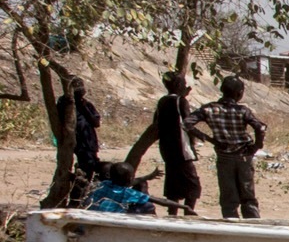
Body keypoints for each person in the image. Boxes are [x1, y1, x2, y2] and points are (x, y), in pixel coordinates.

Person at [188, 76, 266, 219]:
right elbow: (260, 127)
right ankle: (253, 225)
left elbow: (187, 123)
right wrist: (256, 146)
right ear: (239, 93)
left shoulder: (209, 109)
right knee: (248, 196)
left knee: (228, 197)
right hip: (244, 155)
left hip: (224, 156)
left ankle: (231, 226)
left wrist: (210, 139)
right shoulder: (242, 110)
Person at [153, 71, 202, 216]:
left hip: (167, 149)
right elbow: (187, 123)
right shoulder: (181, 101)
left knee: (173, 182)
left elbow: (157, 122)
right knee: (193, 185)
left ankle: (172, 212)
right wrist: (200, 137)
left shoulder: (163, 101)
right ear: (179, 85)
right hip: (181, 148)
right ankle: (189, 211)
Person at [86, 161, 176, 215]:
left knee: (141, 184)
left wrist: (148, 177)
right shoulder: (127, 193)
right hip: (114, 221)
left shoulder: (103, 184)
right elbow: (162, 201)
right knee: (149, 206)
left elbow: (133, 182)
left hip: (94, 217)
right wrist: (185, 207)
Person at [69, 77, 102, 176]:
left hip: (89, 142)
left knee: (91, 164)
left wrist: (84, 107)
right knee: (84, 165)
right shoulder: (66, 104)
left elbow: (96, 123)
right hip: (77, 142)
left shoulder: (87, 105)